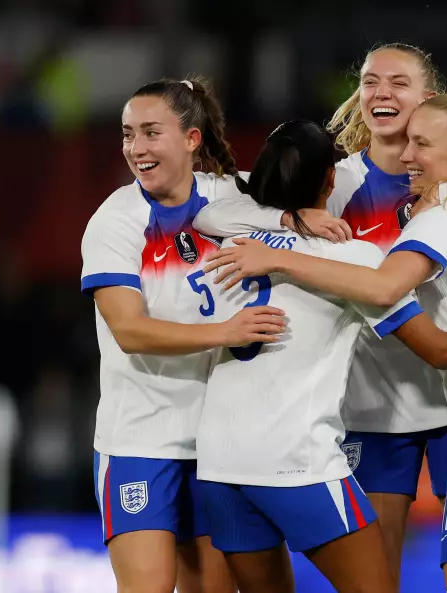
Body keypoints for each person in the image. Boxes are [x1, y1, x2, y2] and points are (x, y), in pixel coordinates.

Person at [194, 44, 447, 589]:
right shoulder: (336, 181)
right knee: (378, 574)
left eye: (398, 83)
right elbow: (223, 205)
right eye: (370, 82)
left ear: (428, 99)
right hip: (372, 407)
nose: (381, 93)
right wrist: (291, 215)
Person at [80, 76, 350, 593]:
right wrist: (224, 331)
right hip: (141, 439)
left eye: (151, 132)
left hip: (215, 444)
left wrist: (301, 215)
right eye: (127, 134)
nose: (137, 148)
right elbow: (131, 331)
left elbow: (285, 193)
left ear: (191, 139)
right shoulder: (116, 222)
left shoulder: (229, 195)